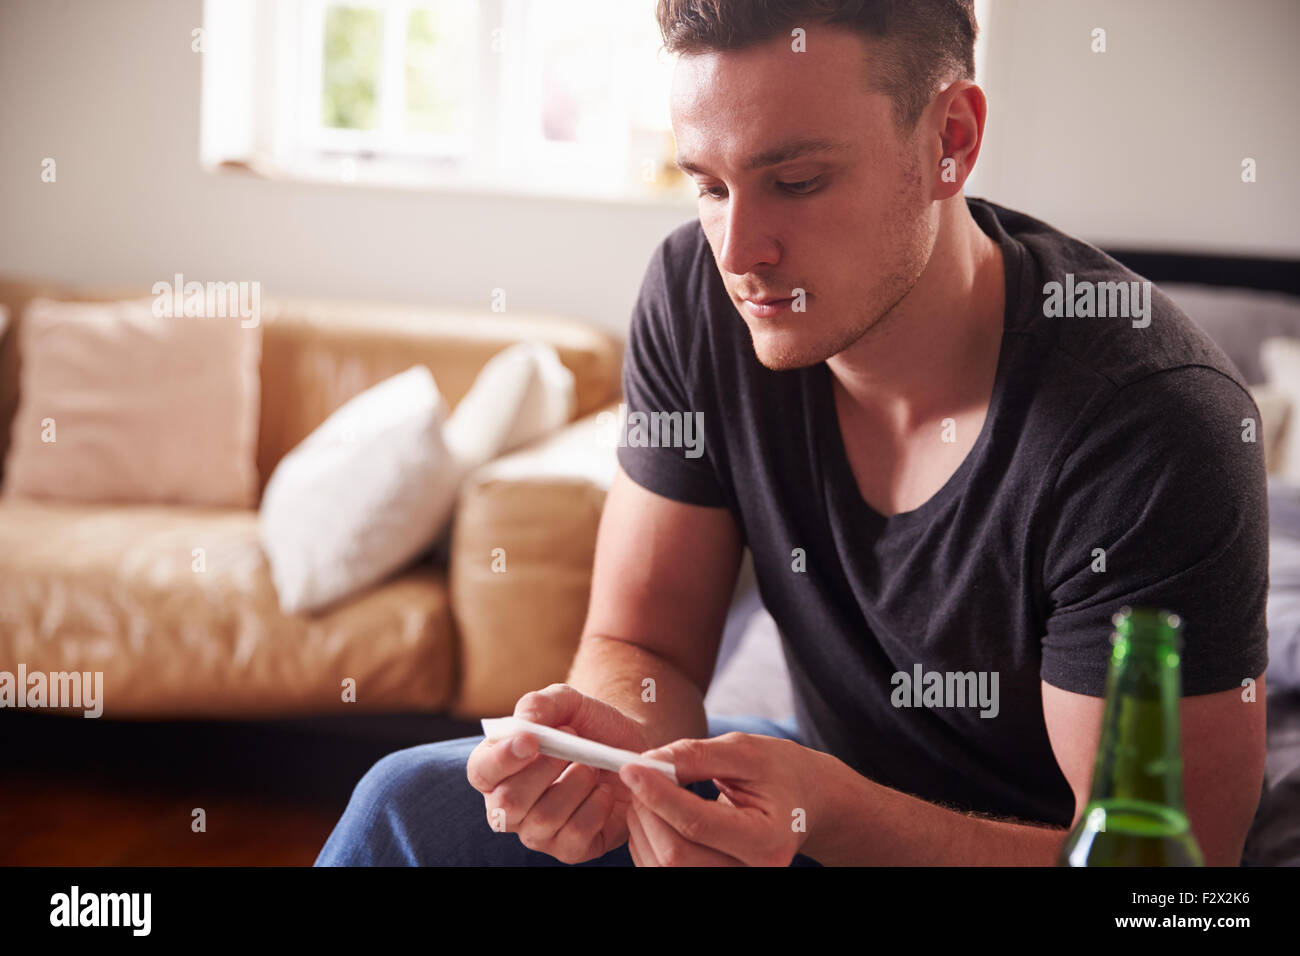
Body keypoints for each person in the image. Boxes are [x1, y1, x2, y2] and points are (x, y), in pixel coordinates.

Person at [316, 0, 1268, 867]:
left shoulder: (1150, 424)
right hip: (815, 793)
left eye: (798, 181)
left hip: (1003, 848)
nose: (740, 255)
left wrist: (835, 816)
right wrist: (623, 748)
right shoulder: (695, 291)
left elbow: (1162, 888)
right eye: (708, 184)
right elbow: (644, 641)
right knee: (405, 804)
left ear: (952, 138)